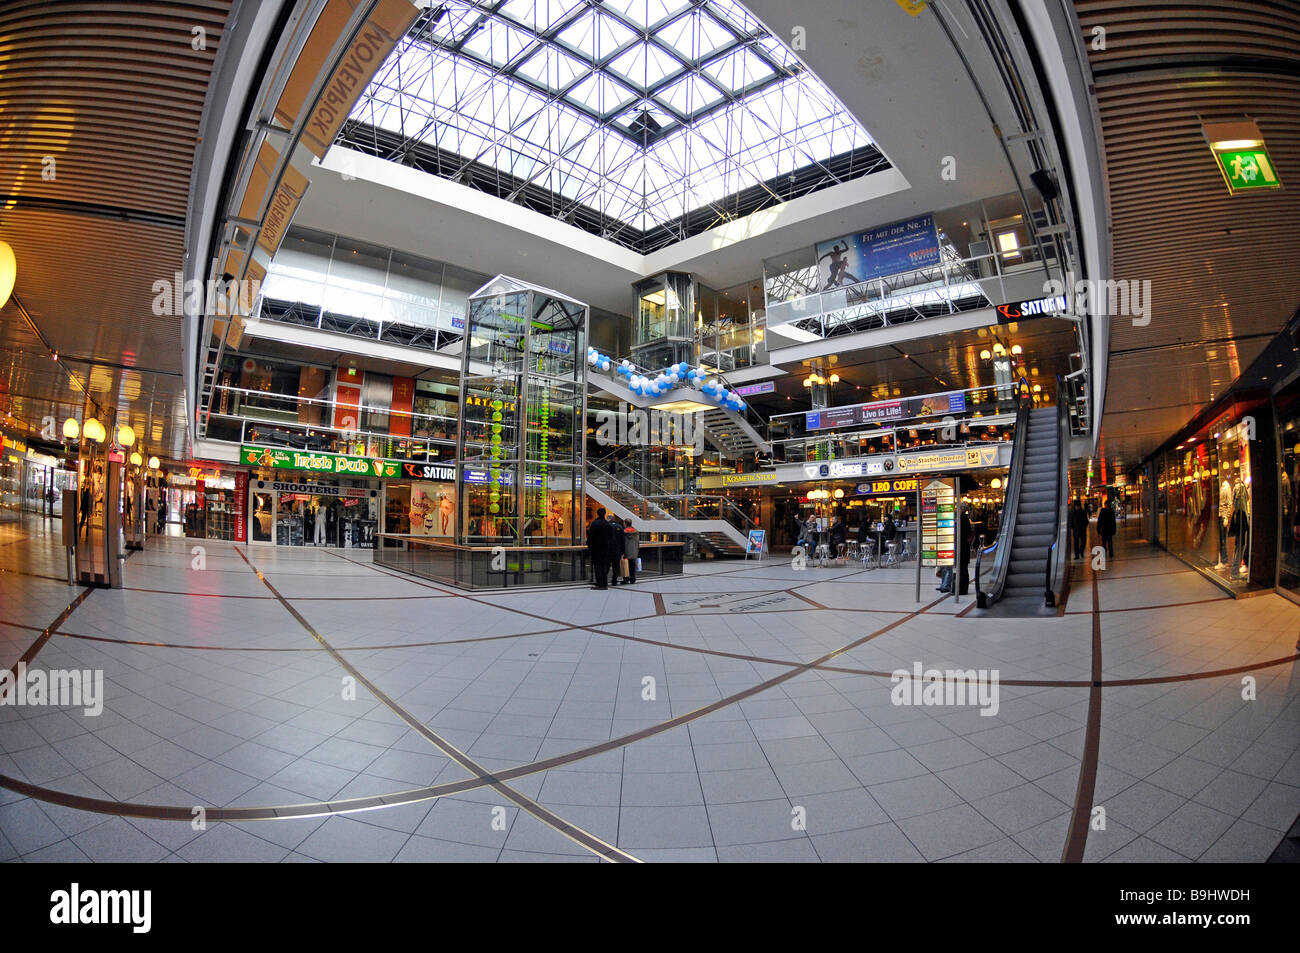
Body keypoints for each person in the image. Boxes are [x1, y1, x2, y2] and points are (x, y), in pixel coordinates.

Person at [587, 508, 616, 590]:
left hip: (596, 549)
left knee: (597, 566)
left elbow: (591, 537)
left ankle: (600, 583)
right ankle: (604, 583)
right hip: (606, 548)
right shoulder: (608, 524)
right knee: (604, 565)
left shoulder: (595, 524)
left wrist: (590, 546)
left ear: (597, 513)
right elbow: (611, 537)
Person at [608, 513, 626, 587]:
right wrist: (623, 551)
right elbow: (623, 540)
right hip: (618, 550)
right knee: (616, 566)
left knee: (607, 565)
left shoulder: (607, 526)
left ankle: (604, 579)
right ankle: (614, 580)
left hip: (608, 550)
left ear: (609, 519)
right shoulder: (620, 527)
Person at [1097, 493, 1117, 559]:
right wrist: (1114, 529)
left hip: (1105, 529)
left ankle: (1105, 552)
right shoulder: (1111, 511)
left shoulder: (1103, 511)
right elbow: (1113, 521)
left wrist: (1098, 528)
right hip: (1109, 529)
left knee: (1104, 542)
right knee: (1109, 542)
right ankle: (1110, 553)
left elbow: (1100, 520)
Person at [622, 518, 639, 584]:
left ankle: (626, 579)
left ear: (625, 524)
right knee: (632, 566)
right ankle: (633, 578)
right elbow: (637, 542)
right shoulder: (636, 531)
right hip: (634, 551)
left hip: (626, 551)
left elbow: (622, 542)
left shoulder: (624, 532)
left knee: (626, 565)